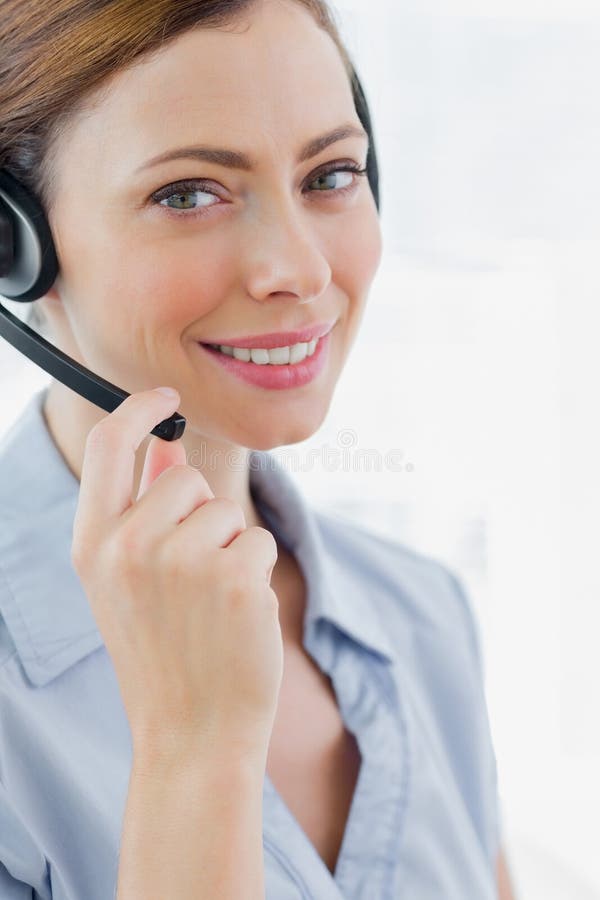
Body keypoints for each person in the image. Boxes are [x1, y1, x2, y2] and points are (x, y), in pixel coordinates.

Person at [0, 0, 516, 897]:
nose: (302, 269)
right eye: (188, 194)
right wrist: (194, 752)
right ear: (16, 244)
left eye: (331, 174)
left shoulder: (422, 614)